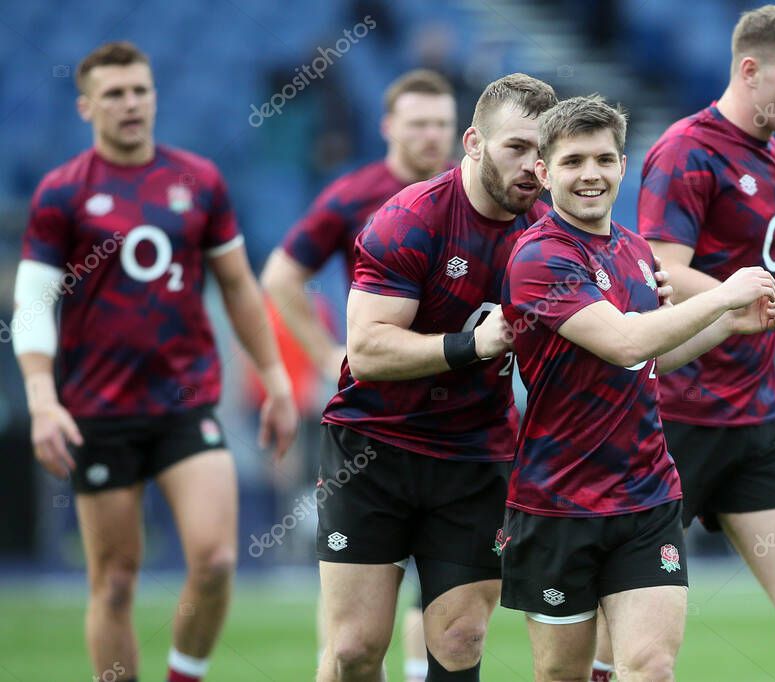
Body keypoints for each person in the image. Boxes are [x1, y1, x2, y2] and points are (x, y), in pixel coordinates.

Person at [10, 42, 298, 682]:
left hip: (184, 403)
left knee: (218, 560)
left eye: (140, 89)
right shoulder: (62, 193)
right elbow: (32, 301)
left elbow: (239, 288)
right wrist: (40, 397)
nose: (131, 103)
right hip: (97, 411)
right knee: (114, 583)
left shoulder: (198, 181)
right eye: (114, 93)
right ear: (87, 105)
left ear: (155, 95)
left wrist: (275, 378)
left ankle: (182, 675)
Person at [623, 6, 775, 681]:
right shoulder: (686, 149)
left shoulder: (773, 152)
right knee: (639, 645)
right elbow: (661, 268)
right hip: (671, 419)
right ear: (750, 69)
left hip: (752, 419)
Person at [500, 95, 775, 682]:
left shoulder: (634, 250)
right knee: (562, 676)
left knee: (650, 667)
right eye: (574, 161)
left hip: (646, 491)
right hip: (558, 500)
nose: (591, 175)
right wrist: (722, 295)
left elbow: (650, 358)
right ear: (545, 173)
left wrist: (729, 323)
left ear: (623, 167)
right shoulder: (540, 256)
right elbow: (625, 342)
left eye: (604, 159)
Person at [314, 73, 557, 682]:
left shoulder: (550, 235)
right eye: (517, 148)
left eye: (543, 152)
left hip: (475, 455)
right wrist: (469, 346)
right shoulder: (411, 217)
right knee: (353, 650)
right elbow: (367, 351)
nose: (533, 166)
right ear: (473, 143)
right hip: (373, 449)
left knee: (459, 637)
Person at [260, 68, 457, 682]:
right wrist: (325, 353)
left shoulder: (477, 194)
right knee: (349, 638)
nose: (431, 136)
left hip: (460, 419)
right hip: (373, 414)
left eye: (443, 124)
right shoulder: (354, 195)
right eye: (419, 123)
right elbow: (280, 276)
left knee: (448, 610)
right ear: (388, 126)